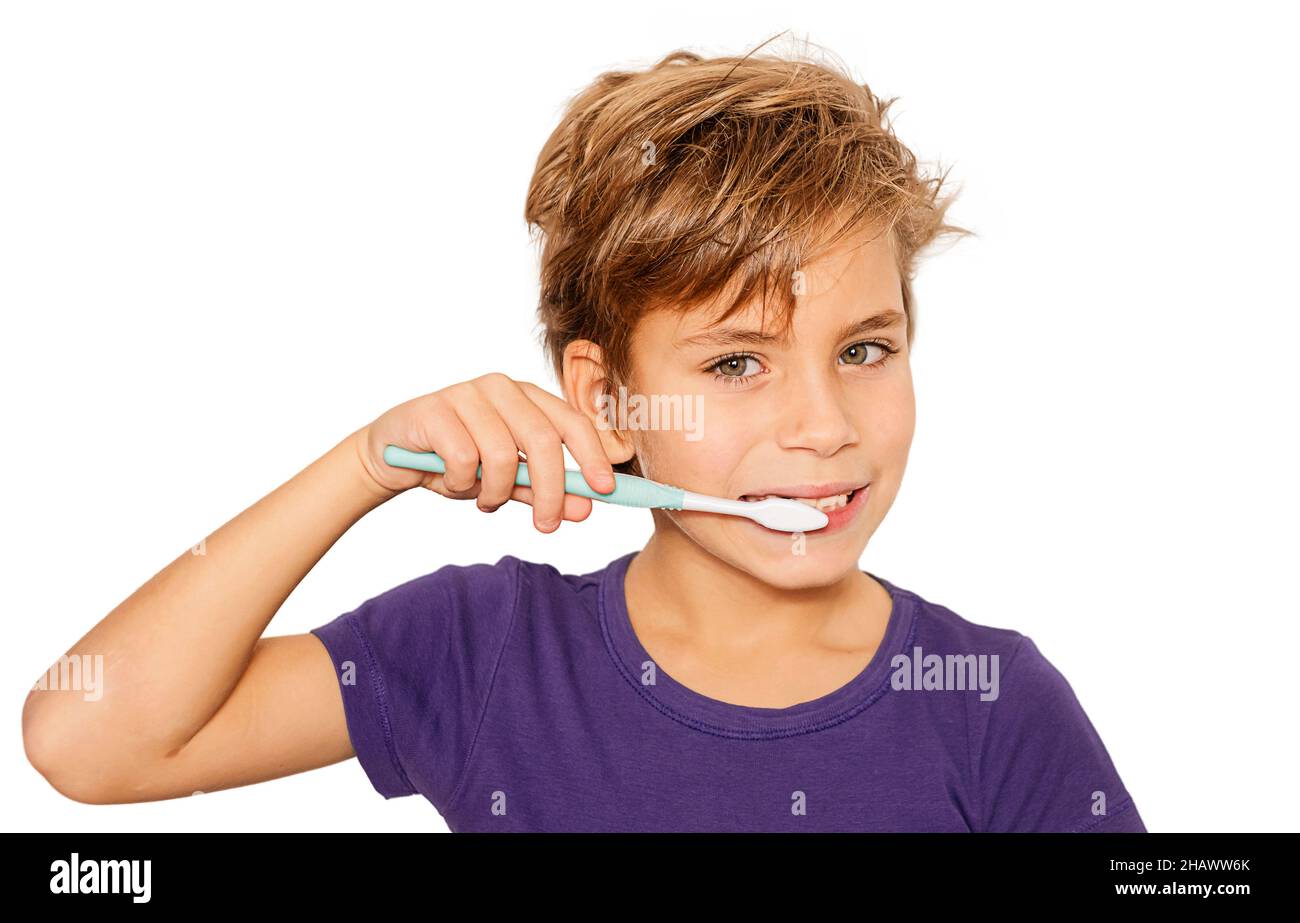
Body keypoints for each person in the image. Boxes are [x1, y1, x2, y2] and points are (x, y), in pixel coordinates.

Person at [22, 39, 1145, 832]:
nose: (823, 425)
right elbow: (88, 740)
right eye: (736, 362)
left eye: (864, 349)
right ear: (603, 398)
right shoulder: (483, 649)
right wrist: (361, 466)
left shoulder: (992, 697)